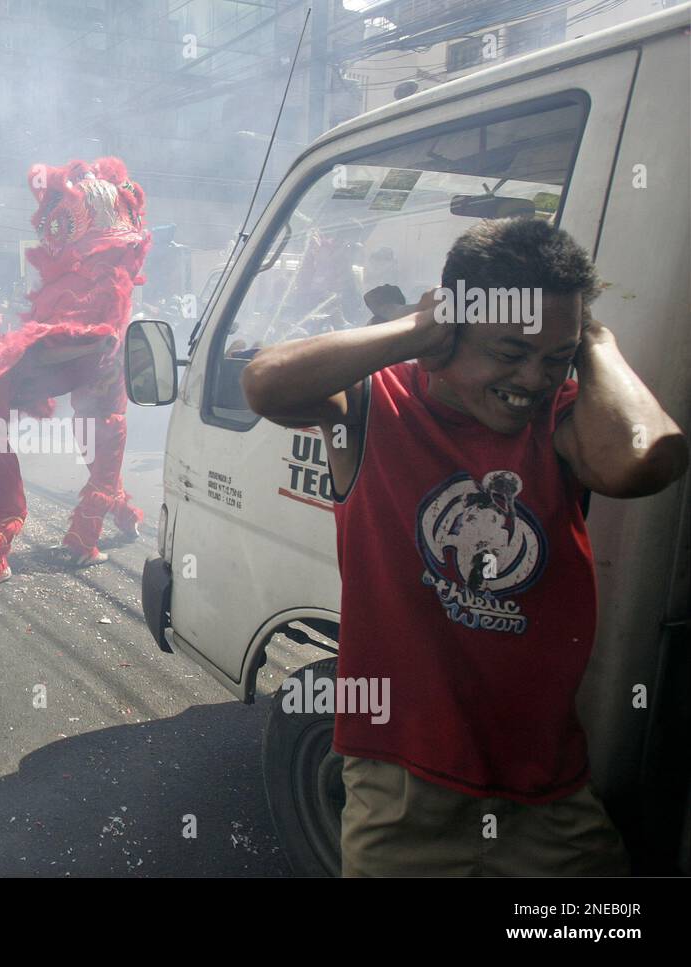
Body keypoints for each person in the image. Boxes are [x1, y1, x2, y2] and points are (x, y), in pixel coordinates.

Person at [241, 216, 687, 876]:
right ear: (447, 334)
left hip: (548, 796)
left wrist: (593, 343)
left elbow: (644, 461)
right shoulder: (371, 408)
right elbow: (266, 383)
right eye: (509, 353)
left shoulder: (558, 419)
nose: (533, 377)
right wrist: (414, 331)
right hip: (403, 798)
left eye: (553, 357)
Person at [0, 157, 151, 602]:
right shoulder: (100, 276)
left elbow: (72, 341)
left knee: (94, 452)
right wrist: (11, 353)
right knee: (7, 503)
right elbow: (72, 341)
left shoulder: (89, 278)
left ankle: (100, 523)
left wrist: (6, 355)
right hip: (26, 404)